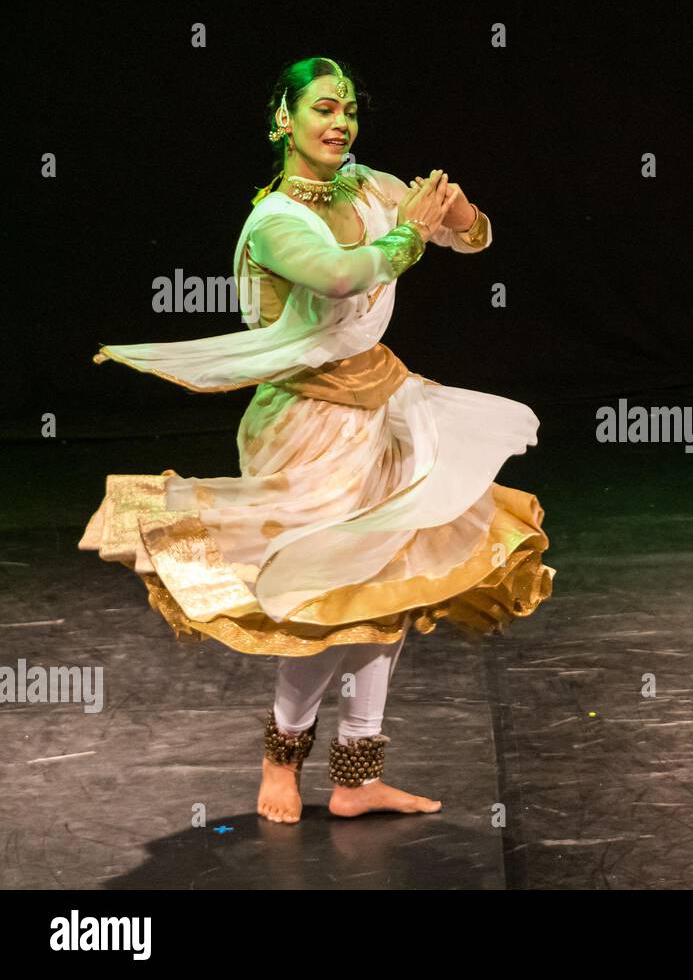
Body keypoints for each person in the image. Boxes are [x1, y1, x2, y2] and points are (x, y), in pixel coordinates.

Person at [79, 56, 555, 822]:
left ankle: (358, 775)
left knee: (388, 594)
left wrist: (462, 216)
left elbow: (473, 243)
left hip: (388, 402)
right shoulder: (273, 222)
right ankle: (280, 759)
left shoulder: (369, 185)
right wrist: (411, 235)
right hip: (305, 426)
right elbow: (345, 276)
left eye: (350, 112)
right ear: (283, 121)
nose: (341, 123)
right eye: (324, 109)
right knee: (327, 599)